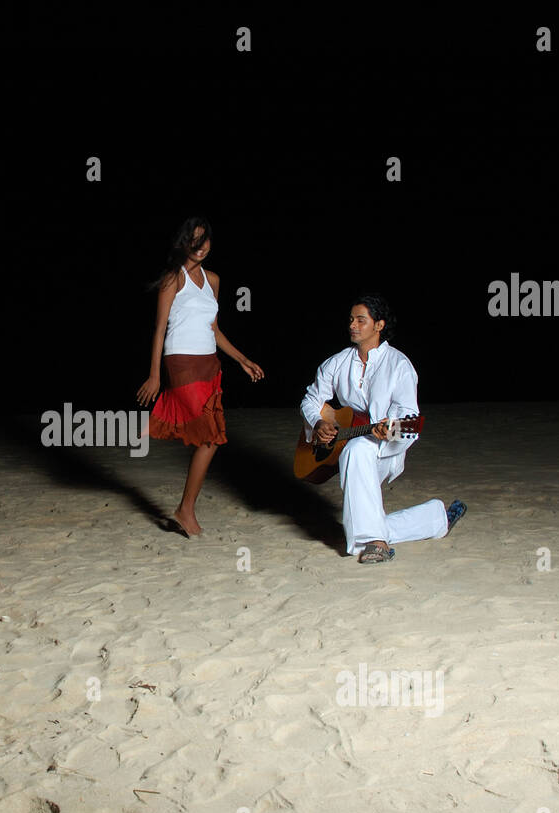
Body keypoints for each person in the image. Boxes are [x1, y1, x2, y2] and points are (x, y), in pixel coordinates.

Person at [300, 294, 465, 563]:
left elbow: (409, 419)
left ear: (379, 325)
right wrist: (318, 423)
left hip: (385, 450)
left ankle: (376, 542)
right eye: (351, 319)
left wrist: (390, 433)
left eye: (361, 320)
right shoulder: (338, 362)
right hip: (350, 443)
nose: (353, 325)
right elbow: (311, 399)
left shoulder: (399, 365)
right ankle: (433, 519)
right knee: (355, 451)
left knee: (357, 450)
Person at [136, 217, 263, 536]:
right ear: (183, 243)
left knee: (212, 437)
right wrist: (155, 376)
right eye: (195, 240)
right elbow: (160, 328)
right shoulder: (172, 279)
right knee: (209, 437)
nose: (202, 246)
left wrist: (242, 359)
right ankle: (185, 510)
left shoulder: (214, 280)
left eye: (206, 239)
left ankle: (184, 509)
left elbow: (214, 329)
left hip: (209, 363)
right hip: (180, 361)